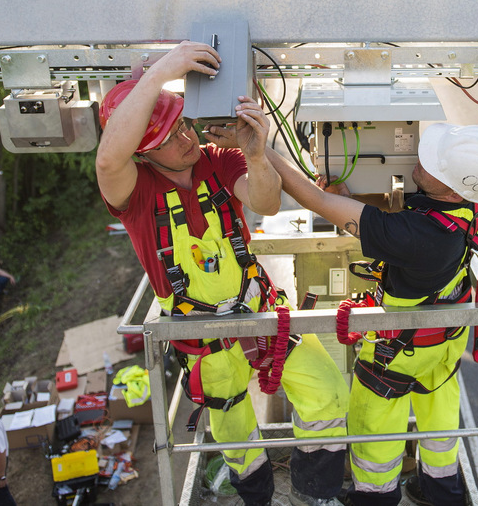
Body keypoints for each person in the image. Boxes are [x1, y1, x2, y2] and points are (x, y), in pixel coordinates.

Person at [95, 40, 349, 506]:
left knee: (327, 390)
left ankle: (317, 490)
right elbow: (108, 160)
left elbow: (267, 202)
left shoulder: (216, 160)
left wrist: (255, 153)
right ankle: (257, 497)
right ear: (143, 152)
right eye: (169, 138)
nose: (187, 139)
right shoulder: (135, 193)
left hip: (260, 312)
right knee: (233, 428)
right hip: (203, 335)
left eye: (184, 126)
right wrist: (161, 72)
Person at [265, 123, 478, 506]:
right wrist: (354, 202)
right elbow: (403, 228)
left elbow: (315, 200)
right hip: (442, 347)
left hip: (396, 357)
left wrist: (259, 149)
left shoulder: (418, 236)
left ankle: (376, 499)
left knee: (375, 439)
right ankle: (440, 493)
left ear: (453, 187)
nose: (420, 158)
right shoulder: (465, 206)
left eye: (434, 163)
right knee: (439, 429)